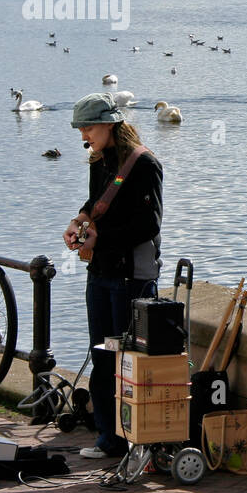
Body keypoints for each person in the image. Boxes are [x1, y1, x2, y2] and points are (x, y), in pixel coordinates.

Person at [63, 93, 163, 459]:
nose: (83, 135)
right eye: (80, 128)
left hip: (131, 276)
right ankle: (108, 438)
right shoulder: (99, 161)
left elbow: (149, 225)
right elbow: (96, 204)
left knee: (128, 361)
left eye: (87, 127)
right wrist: (79, 222)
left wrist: (101, 236)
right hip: (100, 270)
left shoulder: (145, 163)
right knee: (102, 355)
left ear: (109, 124)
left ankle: (132, 438)